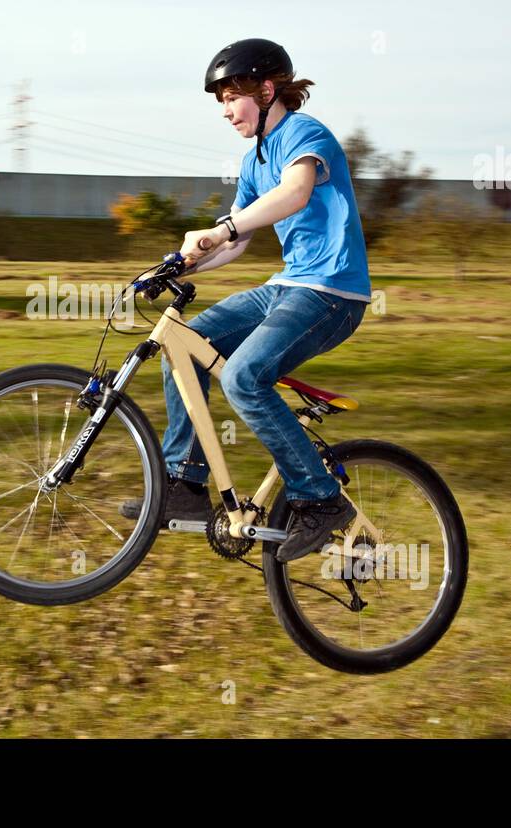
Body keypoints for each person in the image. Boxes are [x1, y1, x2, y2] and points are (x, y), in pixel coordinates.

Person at [120, 38, 372, 563]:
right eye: (221, 102)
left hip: (331, 293)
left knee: (242, 377)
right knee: (184, 343)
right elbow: (231, 242)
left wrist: (226, 227)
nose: (227, 111)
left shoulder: (306, 134)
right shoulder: (255, 157)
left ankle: (321, 500)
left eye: (233, 97)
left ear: (267, 88)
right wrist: (178, 263)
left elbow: (296, 193)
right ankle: (185, 485)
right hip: (287, 286)